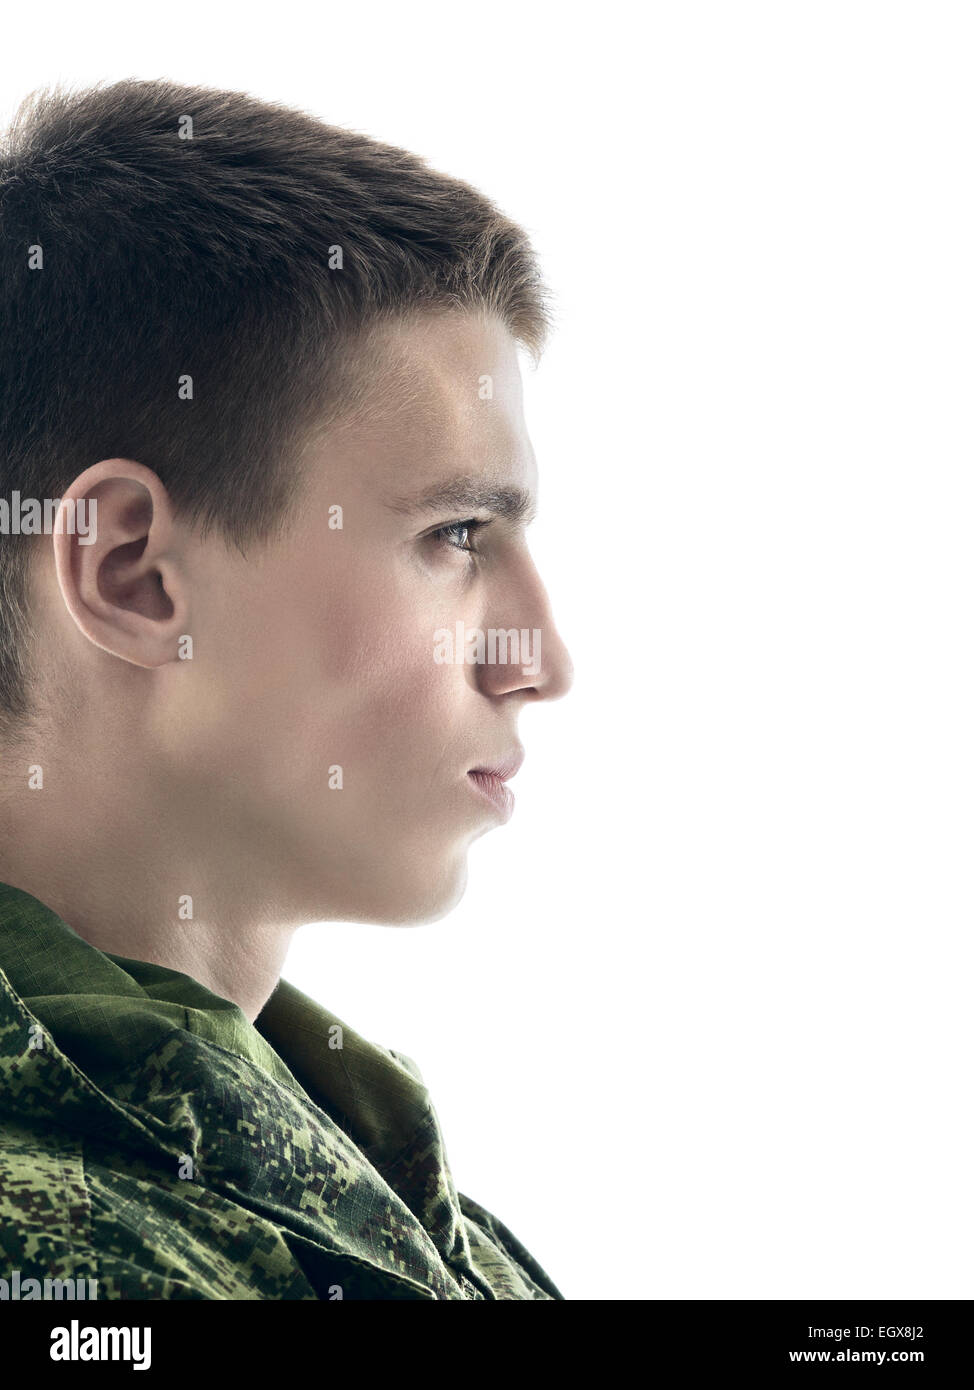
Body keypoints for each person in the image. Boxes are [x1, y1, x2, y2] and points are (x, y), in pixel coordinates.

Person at [0, 78, 573, 1301]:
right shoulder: (70, 1261)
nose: (539, 663)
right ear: (135, 573)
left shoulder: (378, 1189)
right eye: (458, 533)